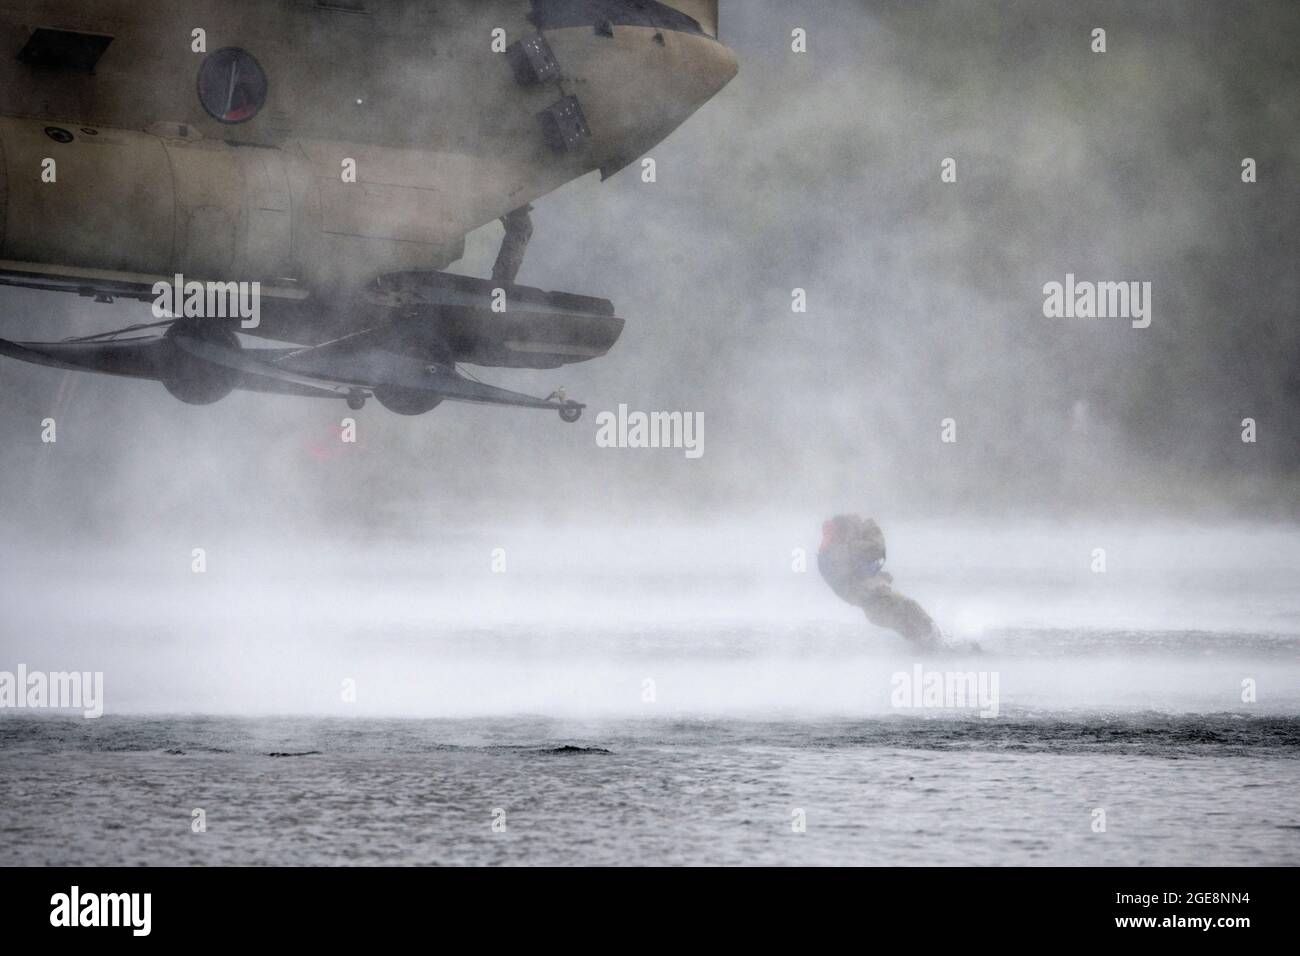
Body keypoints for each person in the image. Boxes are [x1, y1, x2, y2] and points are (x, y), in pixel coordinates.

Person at [818, 515, 943, 650]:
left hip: (877, 602)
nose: (829, 538)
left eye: (832, 533)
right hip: (876, 603)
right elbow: (874, 549)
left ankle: (933, 644)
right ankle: (935, 645)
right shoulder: (834, 555)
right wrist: (866, 527)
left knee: (910, 616)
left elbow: (874, 556)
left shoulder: (838, 553)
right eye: (828, 534)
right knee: (909, 610)